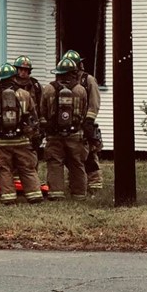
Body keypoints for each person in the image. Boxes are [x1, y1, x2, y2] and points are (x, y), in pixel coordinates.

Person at [0, 63, 44, 205]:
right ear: (14, 78)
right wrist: (35, 137)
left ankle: (8, 197)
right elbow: (33, 118)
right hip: (22, 140)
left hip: (0, 141)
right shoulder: (25, 94)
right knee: (27, 168)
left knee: (4, 169)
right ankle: (34, 195)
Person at [40, 58, 90, 199]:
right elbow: (85, 111)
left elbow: (42, 111)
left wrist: (47, 126)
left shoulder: (48, 89)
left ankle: (56, 194)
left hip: (54, 134)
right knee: (77, 163)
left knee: (55, 162)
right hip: (75, 134)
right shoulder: (81, 90)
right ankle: (79, 194)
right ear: (73, 73)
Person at [62, 50, 103, 194]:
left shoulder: (88, 80)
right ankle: (76, 184)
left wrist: (89, 121)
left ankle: (95, 184)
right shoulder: (63, 81)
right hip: (69, 125)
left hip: (85, 123)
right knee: (72, 157)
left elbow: (94, 102)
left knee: (90, 155)